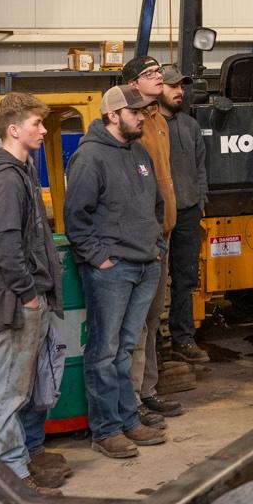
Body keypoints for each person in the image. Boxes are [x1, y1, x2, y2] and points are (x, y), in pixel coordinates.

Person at [64, 84, 169, 458]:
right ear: (112, 115)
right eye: (135, 112)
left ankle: (128, 420)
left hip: (145, 266)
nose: (142, 117)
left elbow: (156, 205)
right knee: (104, 351)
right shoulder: (89, 157)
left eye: (143, 111)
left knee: (126, 348)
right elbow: (76, 218)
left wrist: (156, 248)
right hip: (113, 271)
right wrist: (100, 258)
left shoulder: (138, 152)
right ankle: (106, 430)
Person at [0, 92, 69, 492]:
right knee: (10, 390)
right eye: (36, 124)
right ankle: (11, 471)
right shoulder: (5, 179)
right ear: (13, 129)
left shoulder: (21, 170)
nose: (43, 130)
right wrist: (28, 294)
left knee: (26, 385)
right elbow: (7, 248)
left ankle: (24, 454)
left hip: (31, 296)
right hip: (17, 302)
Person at [119, 56, 190, 412]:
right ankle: (131, 400)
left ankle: (147, 391)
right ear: (133, 84)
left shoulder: (157, 119)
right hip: (141, 238)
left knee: (151, 319)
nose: (159, 77)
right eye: (150, 74)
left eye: (159, 71)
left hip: (162, 233)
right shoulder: (128, 123)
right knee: (136, 324)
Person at [159, 68, 212, 366]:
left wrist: (200, 199)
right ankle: (153, 341)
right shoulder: (148, 127)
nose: (179, 91)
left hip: (189, 211)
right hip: (158, 215)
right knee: (154, 281)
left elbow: (200, 167)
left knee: (186, 278)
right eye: (173, 86)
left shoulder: (190, 126)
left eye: (181, 86)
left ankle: (183, 339)